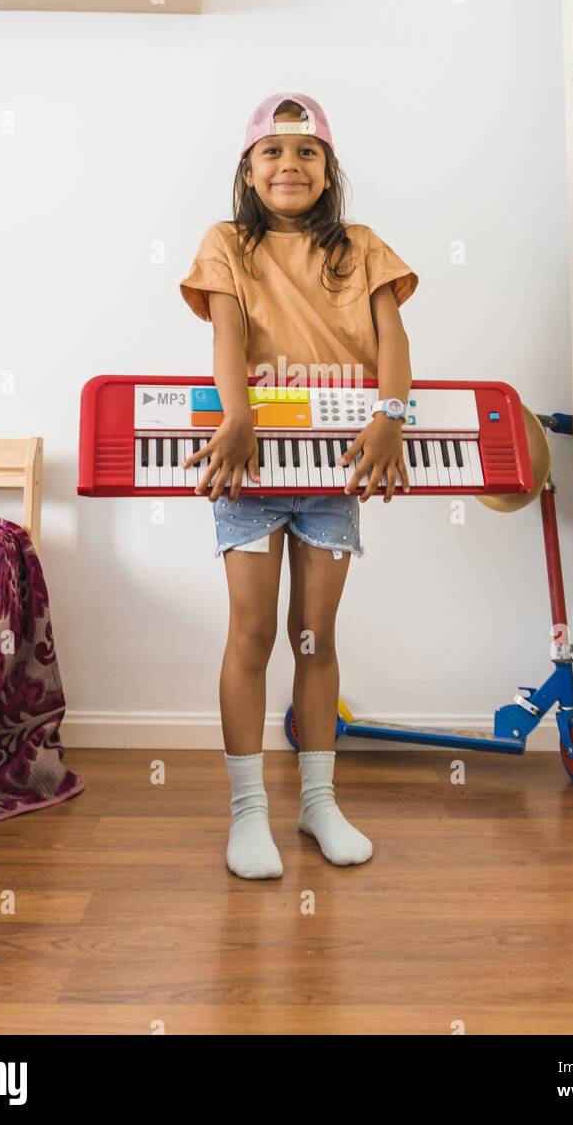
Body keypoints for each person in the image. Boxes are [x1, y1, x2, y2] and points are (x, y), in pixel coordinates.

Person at [179, 92, 418, 879]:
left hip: (334, 468)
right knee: (251, 634)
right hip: (246, 462)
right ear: (249, 170)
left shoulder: (361, 246)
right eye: (273, 152)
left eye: (306, 152)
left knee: (315, 637)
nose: (290, 164)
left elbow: (393, 335)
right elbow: (228, 332)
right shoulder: (227, 244)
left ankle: (318, 804)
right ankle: (249, 815)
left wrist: (390, 414)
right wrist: (238, 413)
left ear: (329, 168)